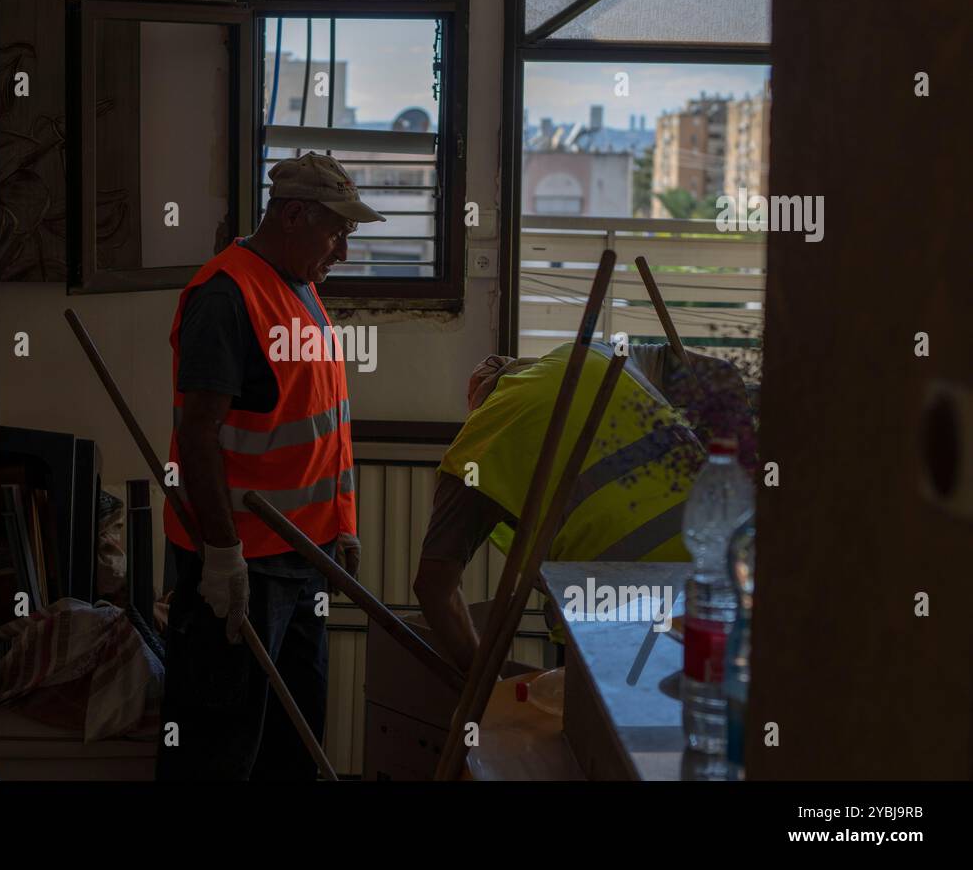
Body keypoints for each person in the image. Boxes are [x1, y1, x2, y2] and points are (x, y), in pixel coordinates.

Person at [155, 153, 384, 780]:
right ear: (292, 215)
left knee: (295, 740)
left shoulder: (301, 286)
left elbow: (321, 423)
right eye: (336, 231)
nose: (341, 249)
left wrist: (341, 525)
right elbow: (197, 434)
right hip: (243, 570)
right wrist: (221, 554)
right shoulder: (225, 296)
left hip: (301, 558)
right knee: (218, 748)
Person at [412, 341, 754, 674]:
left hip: (611, 614)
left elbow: (434, 586)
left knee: (608, 726)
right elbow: (720, 373)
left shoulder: (478, 441)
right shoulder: (596, 353)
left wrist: (489, 687)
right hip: (721, 572)